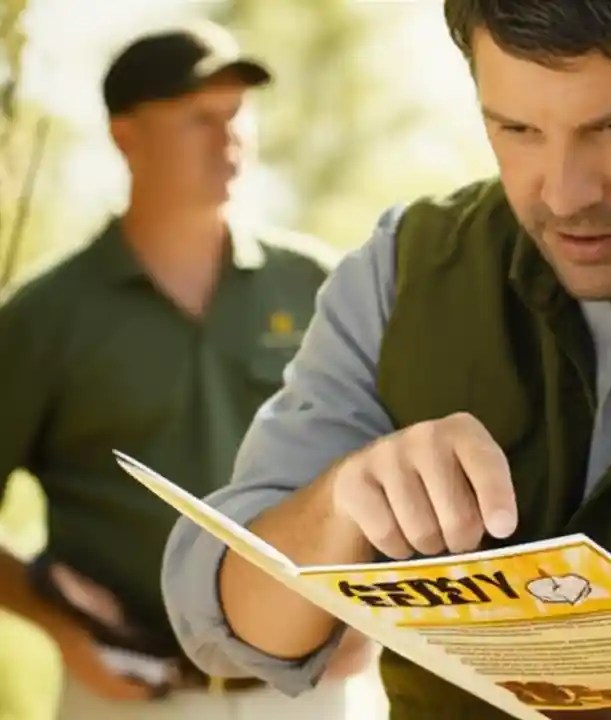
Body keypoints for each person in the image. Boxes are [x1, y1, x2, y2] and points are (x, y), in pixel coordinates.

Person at [160, 2, 611, 717]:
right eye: (516, 129)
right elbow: (225, 631)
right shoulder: (400, 272)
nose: (566, 195)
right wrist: (339, 504)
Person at [0, 21, 363, 720]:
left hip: (309, 696)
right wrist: (61, 627)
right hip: (125, 697)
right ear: (125, 136)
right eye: (199, 117)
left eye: (237, 113)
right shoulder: (44, 317)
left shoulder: (321, 286)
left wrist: (368, 618)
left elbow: (388, 459)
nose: (229, 137)